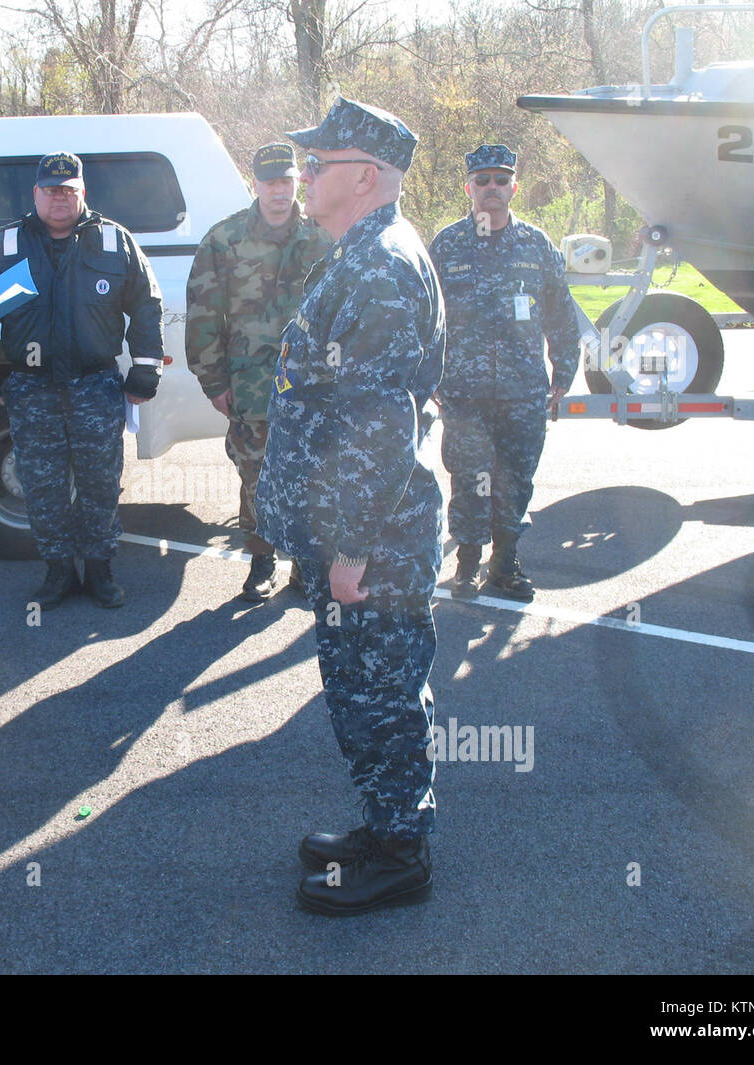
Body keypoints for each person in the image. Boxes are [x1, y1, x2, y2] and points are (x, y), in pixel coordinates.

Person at [254, 98, 446, 915]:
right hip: (357, 538)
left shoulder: (380, 265)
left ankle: (400, 854)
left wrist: (351, 549)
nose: (302, 176)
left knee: (383, 697)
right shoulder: (362, 250)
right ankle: (384, 825)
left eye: (318, 164)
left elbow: (381, 424)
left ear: (364, 176)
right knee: (366, 693)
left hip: (375, 546)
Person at [0, 151, 164, 609]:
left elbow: (147, 304)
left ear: (82, 193)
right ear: (35, 193)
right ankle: (56, 571)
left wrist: (145, 369)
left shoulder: (113, 241)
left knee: (99, 483)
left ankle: (99, 571)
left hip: (96, 386)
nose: (59, 198)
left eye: (68, 190)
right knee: (42, 485)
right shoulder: (8, 245)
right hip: (31, 388)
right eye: (51, 191)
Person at [429, 144, 580, 601]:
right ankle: (468, 563)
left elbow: (561, 313)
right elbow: (426, 317)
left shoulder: (536, 245)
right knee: (469, 478)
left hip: (522, 390)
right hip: (464, 392)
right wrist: (429, 377)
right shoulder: (447, 244)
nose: (491, 188)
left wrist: (564, 370)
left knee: (516, 477)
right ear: (468, 187)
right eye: (482, 180)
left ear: (514, 186)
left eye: (500, 179)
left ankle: (506, 563)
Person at [185, 142, 331, 602]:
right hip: (251, 386)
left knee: (311, 474)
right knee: (258, 477)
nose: (279, 192)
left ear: (295, 183)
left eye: (286, 182)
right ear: (256, 185)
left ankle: (307, 565)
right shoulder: (224, 240)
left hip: (312, 387)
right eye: (270, 183)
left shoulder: (321, 237)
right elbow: (204, 315)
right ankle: (262, 561)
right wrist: (213, 382)